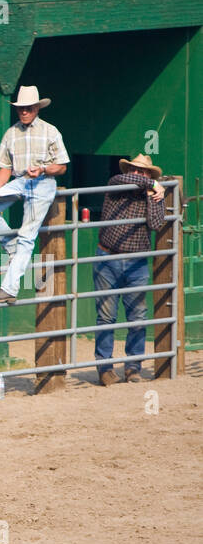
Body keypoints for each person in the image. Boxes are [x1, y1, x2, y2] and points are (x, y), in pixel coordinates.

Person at [0, 86, 70, 304]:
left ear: (37, 108)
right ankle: (12, 249)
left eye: (28, 108)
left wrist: (44, 169)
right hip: (20, 181)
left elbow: (62, 166)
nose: (24, 112)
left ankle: (9, 289)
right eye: (21, 109)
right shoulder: (11, 133)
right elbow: (5, 167)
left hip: (43, 182)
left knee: (28, 237)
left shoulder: (50, 131)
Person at [93, 154, 166, 386]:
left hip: (136, 262)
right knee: (106, 317)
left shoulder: (152, 196)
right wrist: (154, 185)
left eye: (142, 172)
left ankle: (133, 367)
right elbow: (118, 179)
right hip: (108, 257)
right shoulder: (117, 184)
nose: (136, 174)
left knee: (137, 317)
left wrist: (154, 197)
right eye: (133, 170)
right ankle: (104, 368)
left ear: (147, 174)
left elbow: (156, 224)